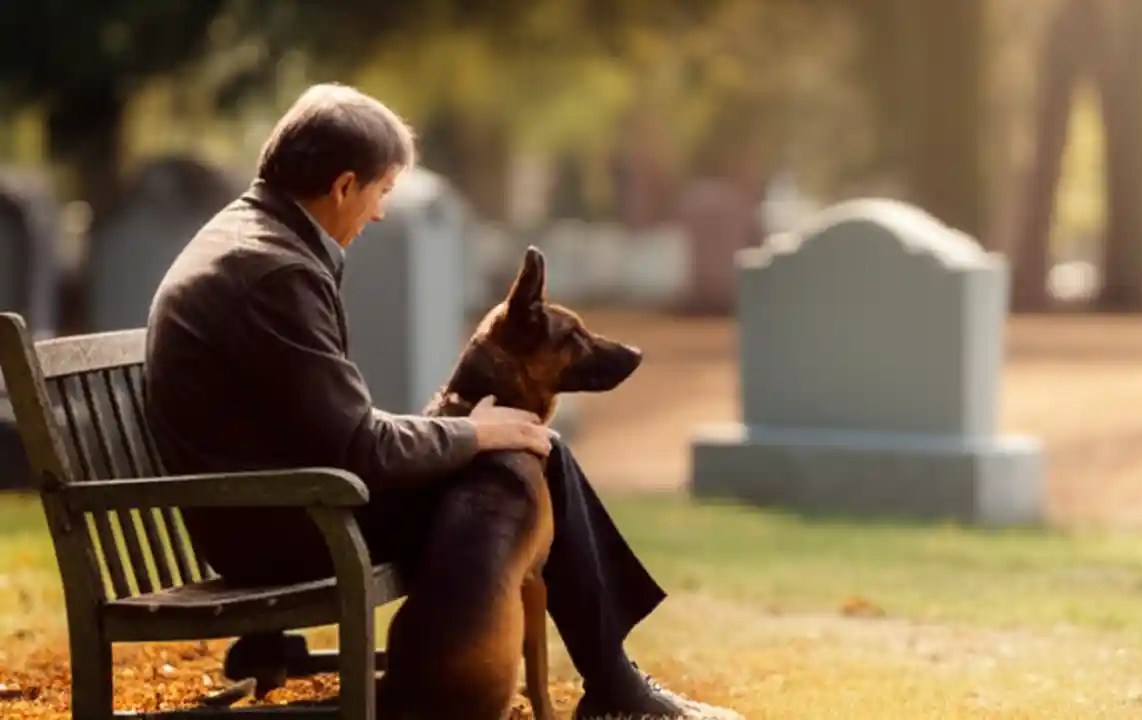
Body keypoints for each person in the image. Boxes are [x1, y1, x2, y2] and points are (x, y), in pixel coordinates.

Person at [143, 83, 741, 719]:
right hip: (282, 524)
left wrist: (473, 432)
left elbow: (336, 433)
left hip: (272, 504)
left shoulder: (255, 239)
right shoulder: (277, 274)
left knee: (529, 450)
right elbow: (358, 446)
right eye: (381, 193)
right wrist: (475, 434)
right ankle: (533, 689)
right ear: (344, 186)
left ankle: (596, 678)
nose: (378, 215)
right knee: (521, 459)